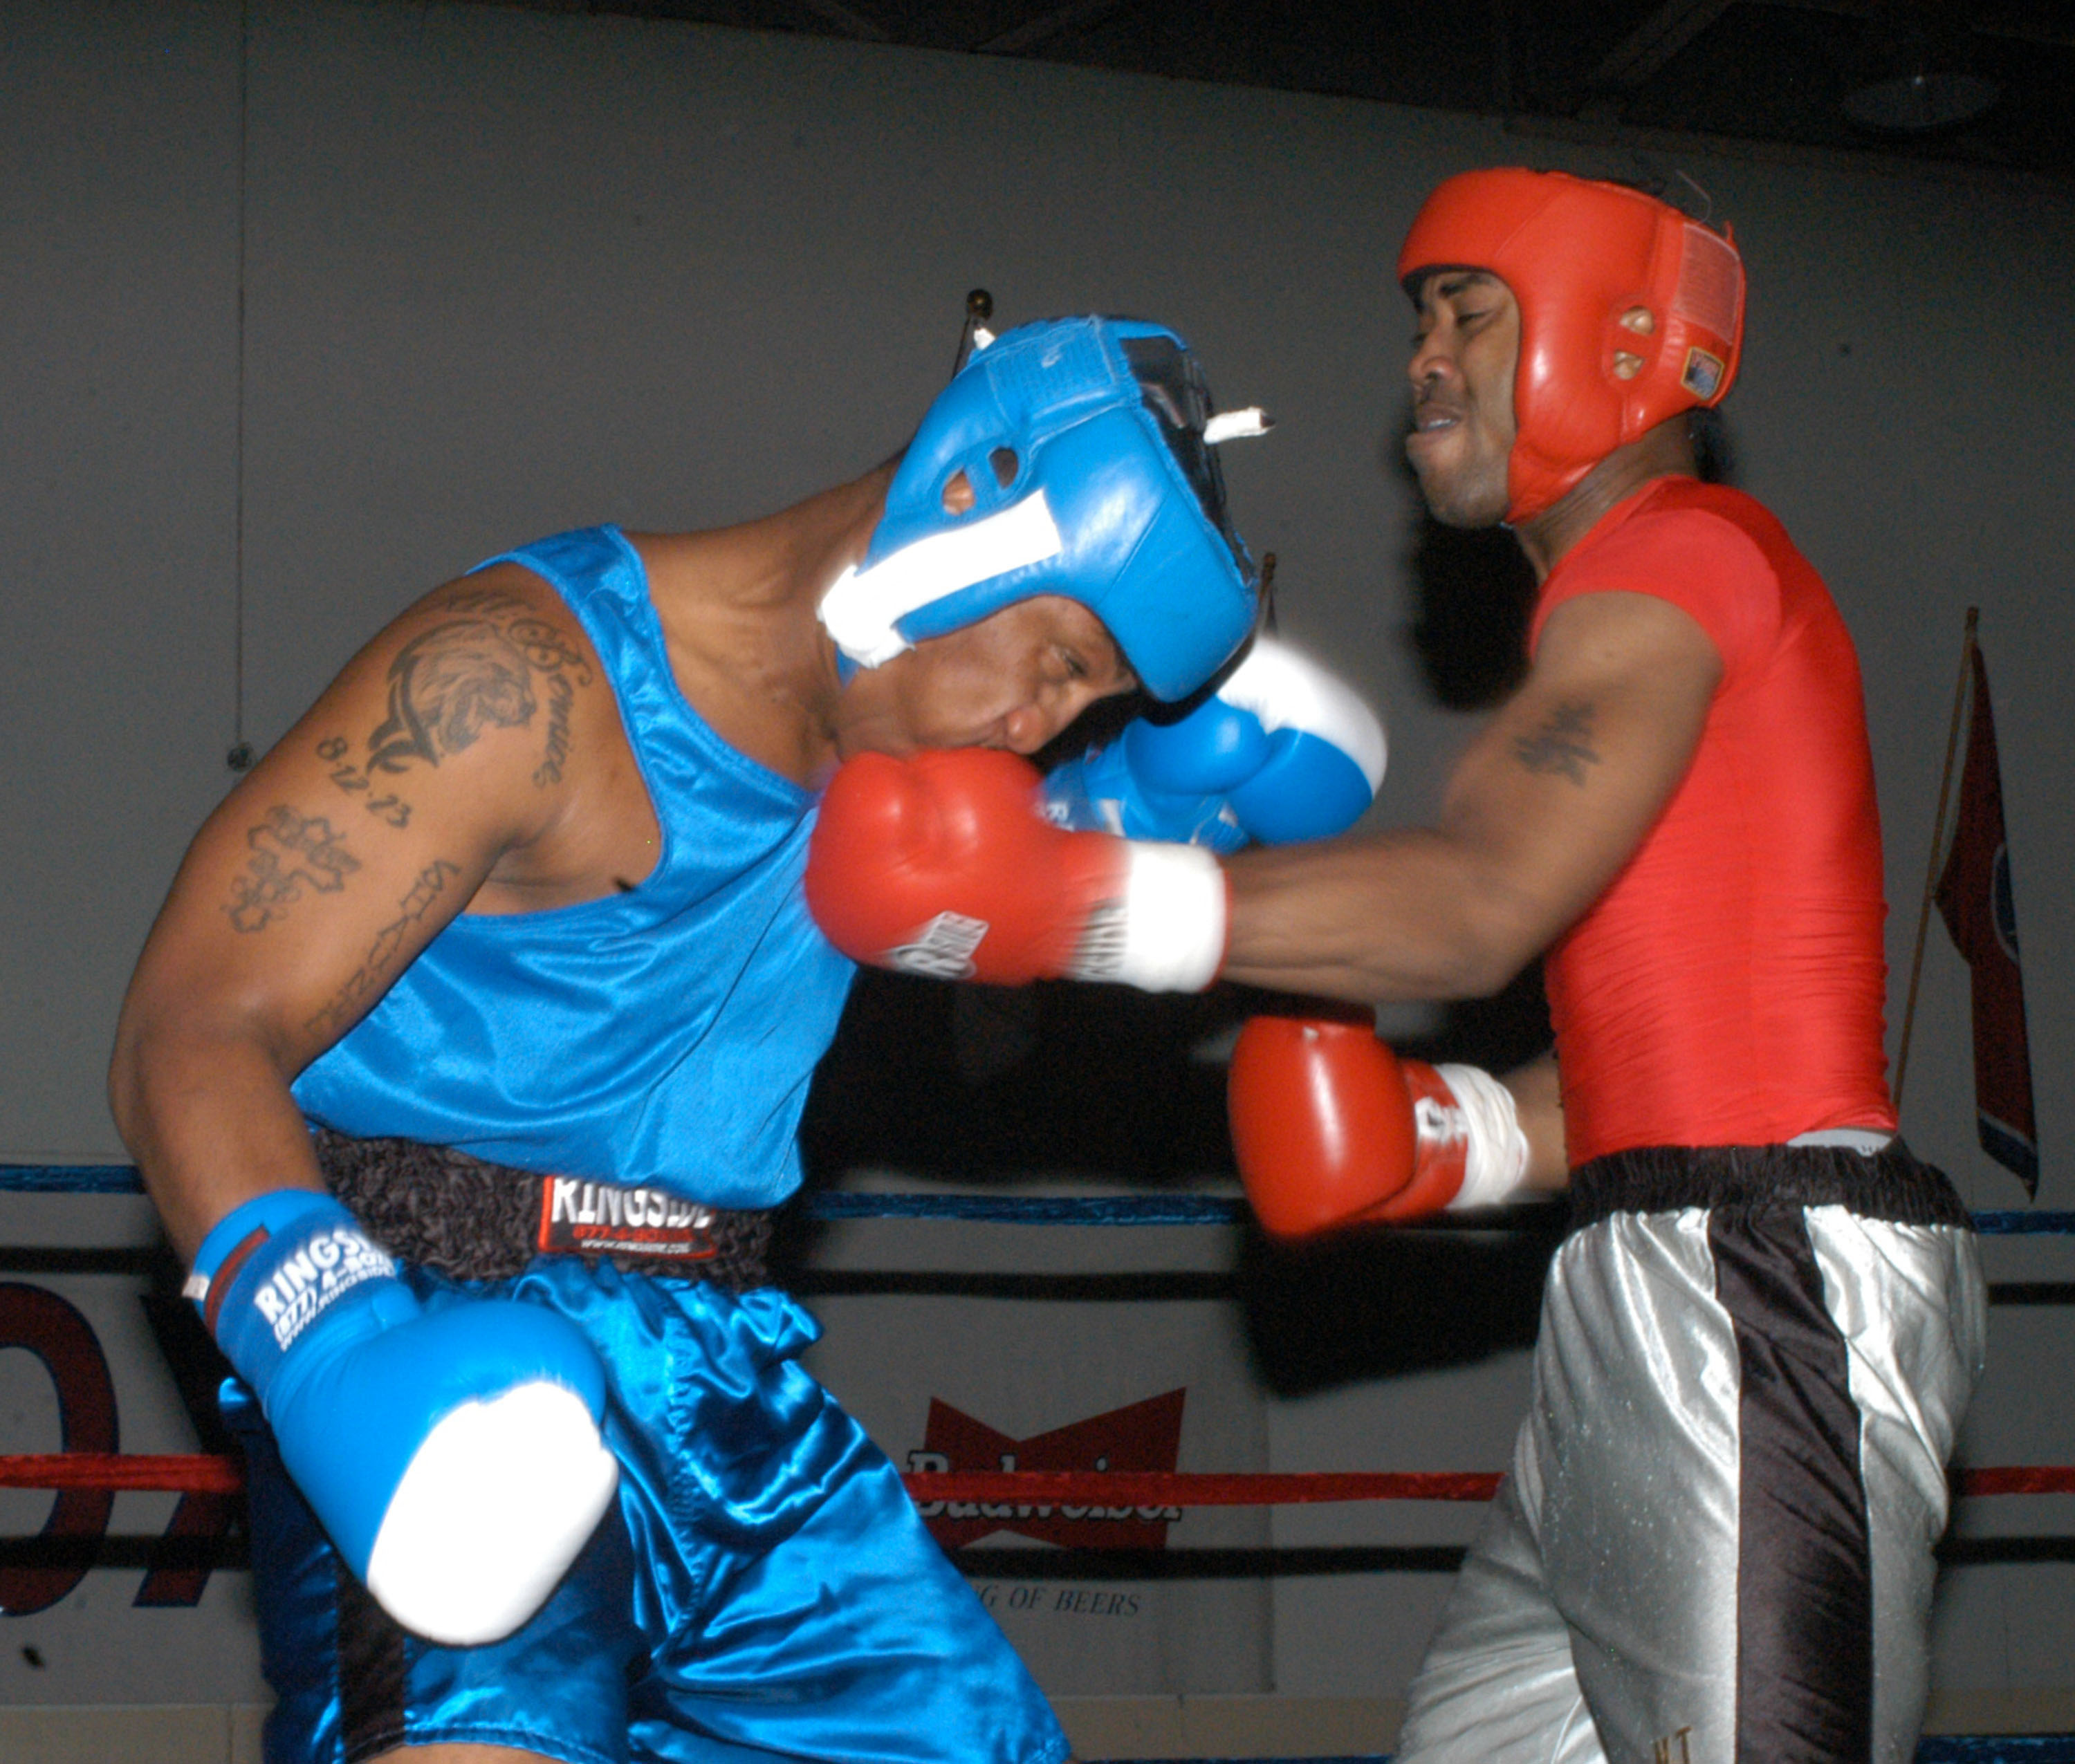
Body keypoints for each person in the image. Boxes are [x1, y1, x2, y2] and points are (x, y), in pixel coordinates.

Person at [804, 173, 1988, 1763]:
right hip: (1651, 1283)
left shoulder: (1678, 564)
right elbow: (1692, 1038)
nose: (1425, 357)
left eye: (1472, 312)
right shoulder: (1637, 597)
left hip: (1763, 1296)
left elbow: (1484, 899)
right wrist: (1462, 1136)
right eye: (1421, 317)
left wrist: (1088, 900)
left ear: (1621, 340)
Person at [108, 313, 1387, 1764]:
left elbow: (990, 1033)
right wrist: (335, 1351)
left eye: (1090, 700)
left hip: (726, 1373)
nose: (1040, 725)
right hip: (461, 1326)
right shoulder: (525, 680)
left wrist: (1134, 835)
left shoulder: (904, 794)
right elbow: (189, 1023)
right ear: (964, 503)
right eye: (1056, 658)